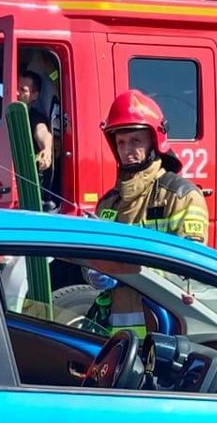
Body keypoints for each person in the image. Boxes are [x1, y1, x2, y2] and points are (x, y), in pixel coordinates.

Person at [84, 89, 208, 340]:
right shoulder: (108, 203)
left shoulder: (181, 196)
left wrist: (127, 271)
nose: (127, 150)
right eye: (120, 142)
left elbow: (192, 266)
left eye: (135, 141)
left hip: (166, 330)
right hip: (118, 334)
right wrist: (93, 273)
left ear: (154, 141)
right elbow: (90, 260)